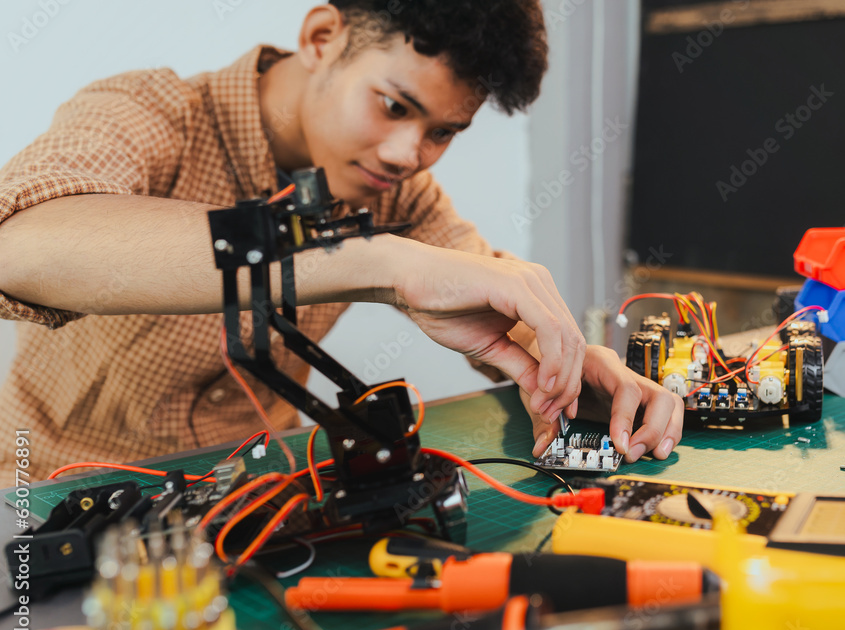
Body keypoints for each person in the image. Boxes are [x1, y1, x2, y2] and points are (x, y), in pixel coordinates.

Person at [0, 1, 682, 485]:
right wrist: (378, 263)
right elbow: (23, 248)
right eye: (394, 105)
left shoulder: (396, 191)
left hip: (243, 503)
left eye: (444, 132)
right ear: (323, 37)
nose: (408, 153)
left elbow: (482, 287)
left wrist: (574, 364)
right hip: (44, 498)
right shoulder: (152, 114)